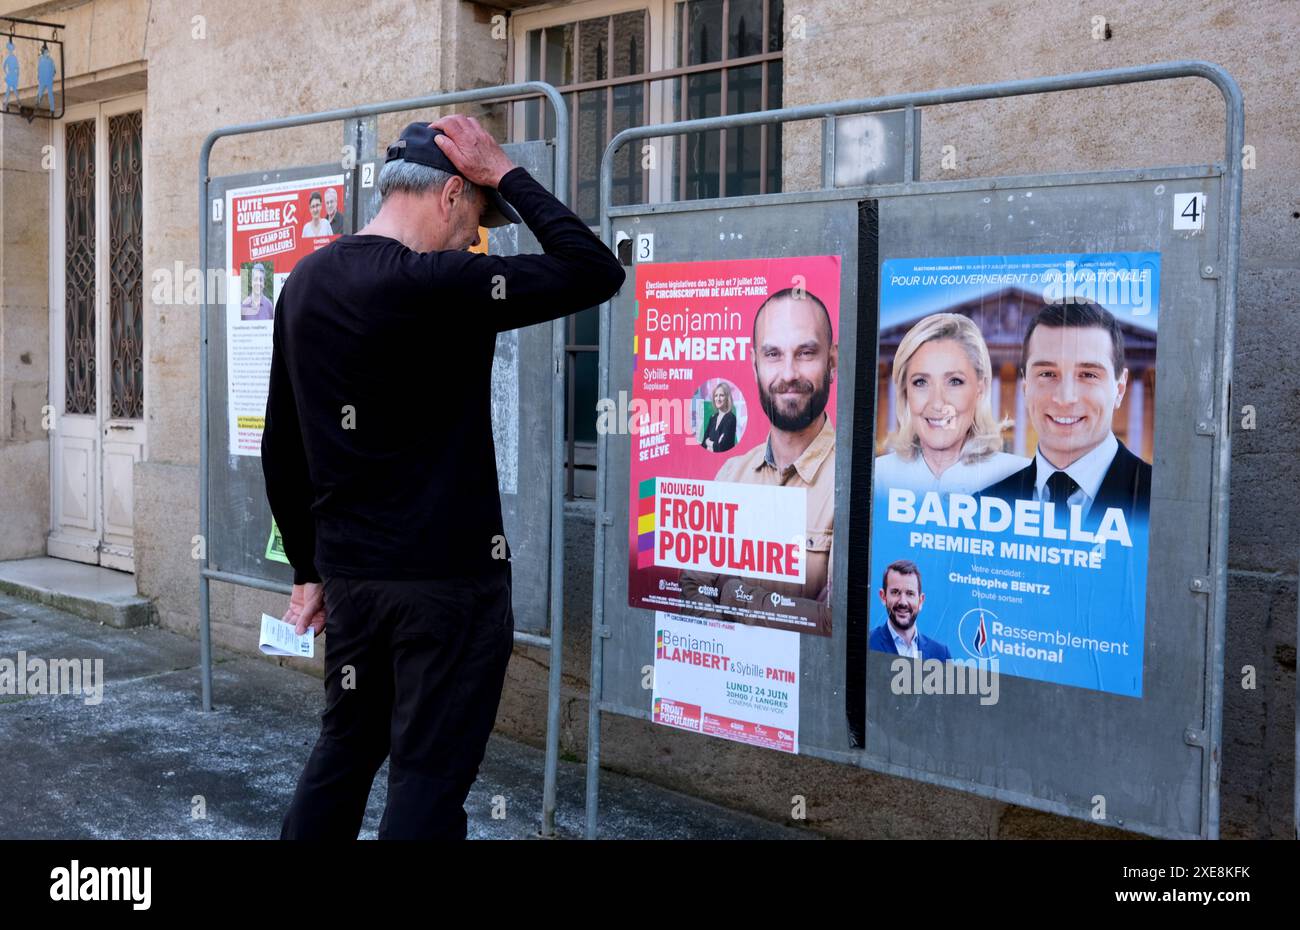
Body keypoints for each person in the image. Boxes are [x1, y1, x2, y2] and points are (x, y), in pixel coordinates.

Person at [263, 116, 624, 840]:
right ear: (453, 195)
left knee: (344, 750)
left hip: (354, 582)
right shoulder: (443, 282)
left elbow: (283, 445)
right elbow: (595, 268)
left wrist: (308, 568)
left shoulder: (306, 280)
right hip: (448, 587)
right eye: (480, 217)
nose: (477, 238)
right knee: (426, 779)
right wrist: (508, 173)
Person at [680, 288, 837, 636]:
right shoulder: (730, 474)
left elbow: (833, 623)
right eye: (773, 354)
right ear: (755, 366)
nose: (789, 373)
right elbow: (692, 585)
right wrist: (726, 642)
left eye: (806, 352)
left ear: (832, 362)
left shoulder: (854, 483)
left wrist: (735, 595)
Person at [979, 301, 1151, 525]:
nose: (1065, 398)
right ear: (1025, 386)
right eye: (1048, 373)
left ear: (1119, 389)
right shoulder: (982, 505)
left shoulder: (1160, 500)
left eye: (1088, 374)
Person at [873, 312, 1026, 497]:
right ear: (905, 392)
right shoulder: (876, 479)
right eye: (921, 382)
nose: (938, 403)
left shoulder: (1019, 481)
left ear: (981, 388)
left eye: (954, 381)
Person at [868, 559, 951, 660]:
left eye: (910, 594)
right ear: (883, 597)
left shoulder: (941, 654)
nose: (903, 602)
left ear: (920, 601)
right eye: (895, 592)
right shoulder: (867, 644)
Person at [700, 381, 737, 453]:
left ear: (727, 398)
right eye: (716, 395)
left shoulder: (731, 418)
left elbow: (722, 446)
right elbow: (703, 443)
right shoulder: (712, 418)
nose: (718, 399)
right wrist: (712, 444)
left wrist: (709, 443)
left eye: (721, 395)